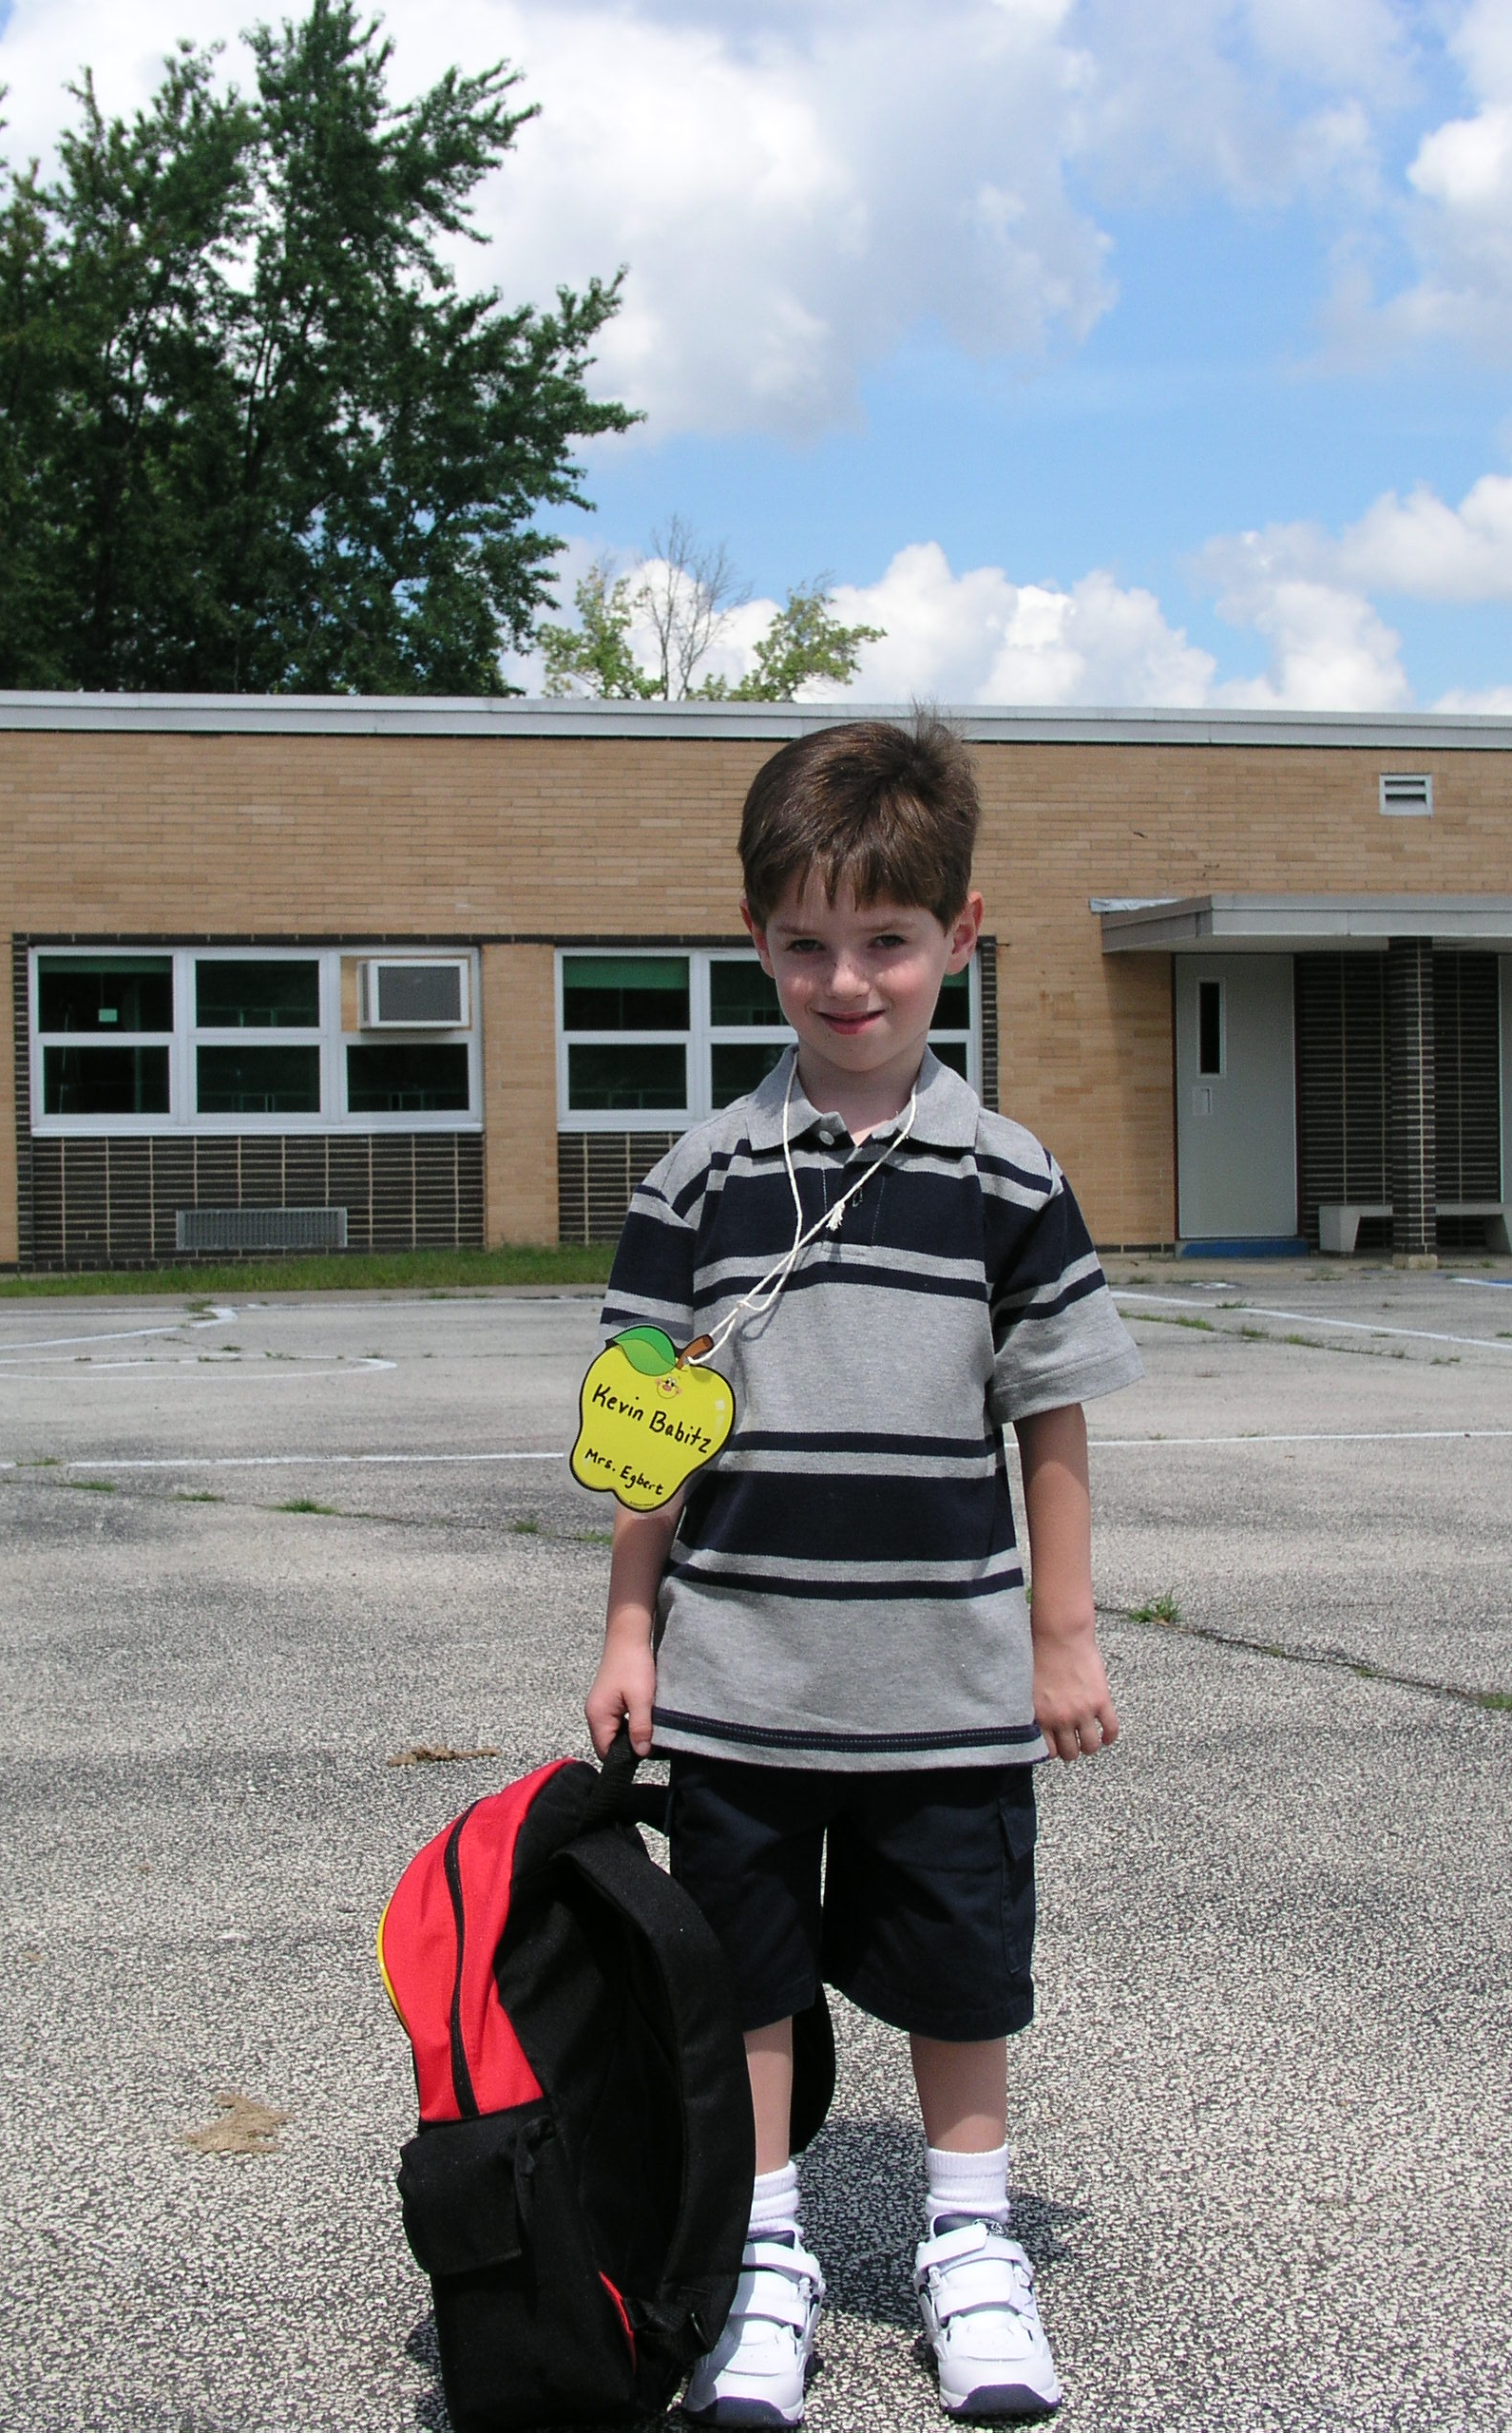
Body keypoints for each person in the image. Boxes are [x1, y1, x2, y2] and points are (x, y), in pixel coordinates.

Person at [584, 714, 1142, 2425]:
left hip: (949, 1684)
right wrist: (627, 1630)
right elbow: (643, 1438)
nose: (847, 983)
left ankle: (970, 2248)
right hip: (745, 1683)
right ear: (756, 938)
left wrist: (1063, 1641)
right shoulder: (697, 1183)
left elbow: (1050, 1420)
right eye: (808, 944)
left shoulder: (1008, 1177)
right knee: (744, 1979)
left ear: (958, 935)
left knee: (963, 1972)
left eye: (887, 942)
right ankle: (767, 2257)